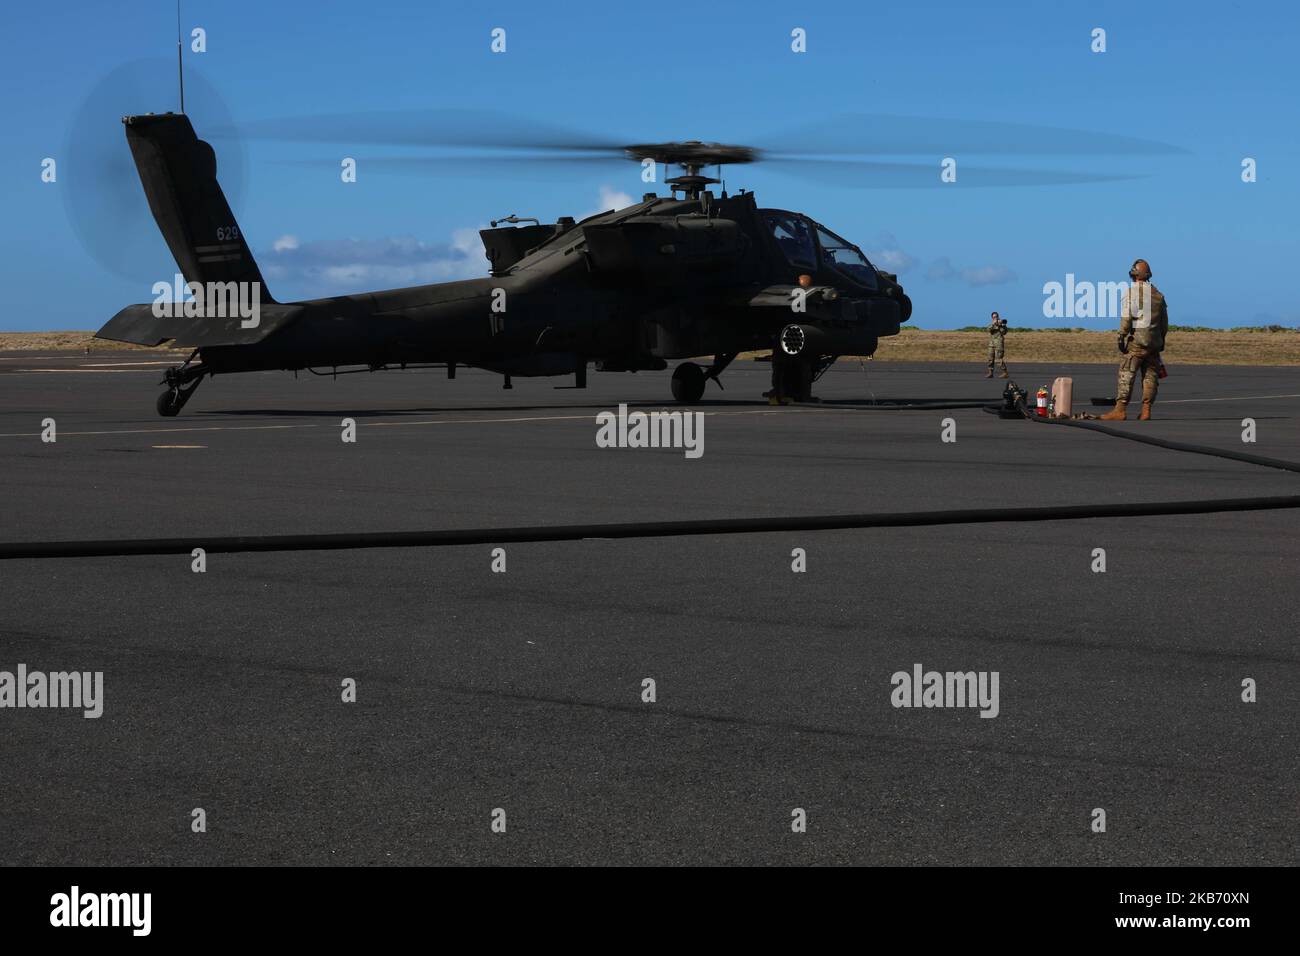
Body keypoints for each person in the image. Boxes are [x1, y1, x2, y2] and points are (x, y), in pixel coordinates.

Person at [1100, 259, 1168, 421]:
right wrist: (1161, 341)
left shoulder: (1131, 292)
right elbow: (1164, 323)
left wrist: (1121, 336)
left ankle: (1120, 409)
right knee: (1150, 376)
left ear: (1134, 275)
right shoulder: (1159, 296)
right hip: (1154, 344)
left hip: (1137, 342)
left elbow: (1126, 318)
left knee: (1126, 373)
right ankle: (1146, 410)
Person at [985, 312, 1008, 378]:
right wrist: (993, 324)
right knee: (990, 358)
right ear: (992, 318)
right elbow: (988, 329)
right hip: (991, 343)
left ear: (998, 316)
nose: (995, 318)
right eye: (994, 317)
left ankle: (1005, 373)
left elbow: (1004, 332)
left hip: (999, 343)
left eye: (996, 316)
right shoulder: (991, 324)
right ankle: (990, 373)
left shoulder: (1001, 324)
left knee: (999, 359)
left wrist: (1002, 326)